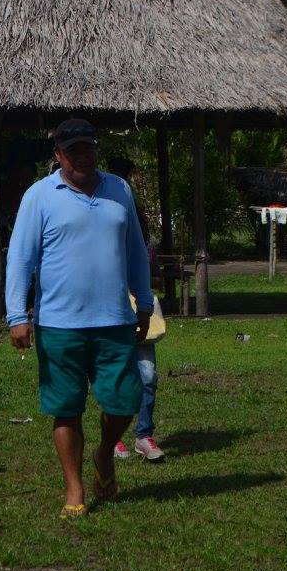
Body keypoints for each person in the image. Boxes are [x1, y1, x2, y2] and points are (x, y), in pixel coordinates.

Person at [5, 119, 154, 517]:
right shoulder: (39, 195)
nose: (82, 158)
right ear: (58, 155)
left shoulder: (119, 189)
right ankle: (75, 489)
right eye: (73, 152)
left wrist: (145, 302)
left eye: (88, 149)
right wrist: (17, 314)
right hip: (59, 324)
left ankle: (104, 453)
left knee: (124, 401)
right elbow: (20, 258)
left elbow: (136, 250)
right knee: (66, 407)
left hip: (115, 320)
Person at [106, 157, 165, 463]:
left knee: (147, 374)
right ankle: (113, 437)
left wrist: (143, 296)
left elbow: (145, 262)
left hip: (138, 304)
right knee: (116, 375)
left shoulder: (135, 214)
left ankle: (143, 434)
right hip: (109, 309)